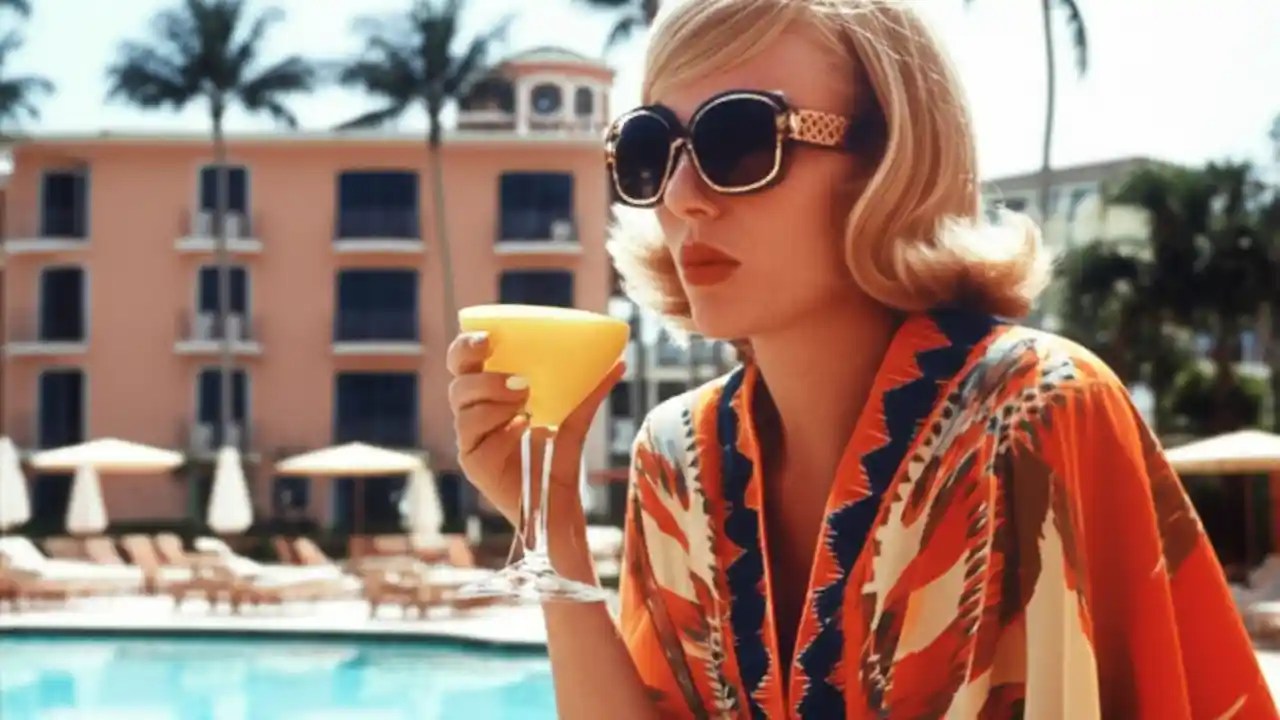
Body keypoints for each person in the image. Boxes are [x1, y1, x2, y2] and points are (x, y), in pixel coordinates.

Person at [447, 0, 1279, 717]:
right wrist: (550, 520)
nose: (682, 195)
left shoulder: (1033, 413)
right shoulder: (672, 460)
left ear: (889, 161)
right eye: (649, 149)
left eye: (738, 140)